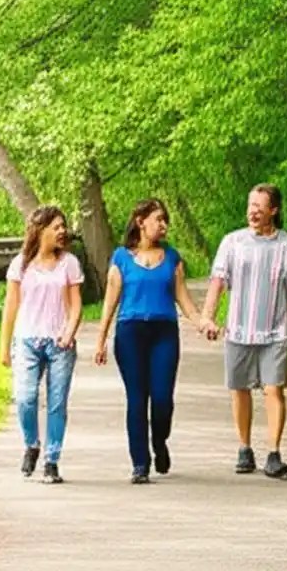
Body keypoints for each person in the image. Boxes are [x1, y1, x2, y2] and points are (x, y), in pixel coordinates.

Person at [201, 183, 287, 479]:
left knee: (273, 389)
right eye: (250, 205)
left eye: (259, 206)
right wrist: (208, 316)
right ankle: (244, 447)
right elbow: (218, 281)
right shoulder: (232, 243)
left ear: (274, 211)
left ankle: (274, 453)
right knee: (239, 390)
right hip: (239, 330)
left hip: (275, 332)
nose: (252, 211)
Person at [93, 199, 210, 484]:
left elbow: (184, 300)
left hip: (164, 333)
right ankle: (140, 463)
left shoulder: (172, 258)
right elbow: (110, 302)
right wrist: (100, 340)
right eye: (158, 219)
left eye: (165, 220)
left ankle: (160, 441)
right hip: (130, 333)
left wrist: (202, 322)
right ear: (140, 221)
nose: (163, 225)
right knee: (136, 398)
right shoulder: (121, 257)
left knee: (161, 399)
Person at [0, 205, 84, 484]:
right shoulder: (20, 265)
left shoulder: (69, 263)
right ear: (41, 230)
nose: (63, 231)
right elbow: (10, 307)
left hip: (60, 343)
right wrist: (4, 346)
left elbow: (76, 305)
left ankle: (51, 460)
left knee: (57, 403)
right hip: (27, 340)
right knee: (25, 398)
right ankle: (31, 444)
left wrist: (69, 333)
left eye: (63, 227)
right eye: (56, 227)